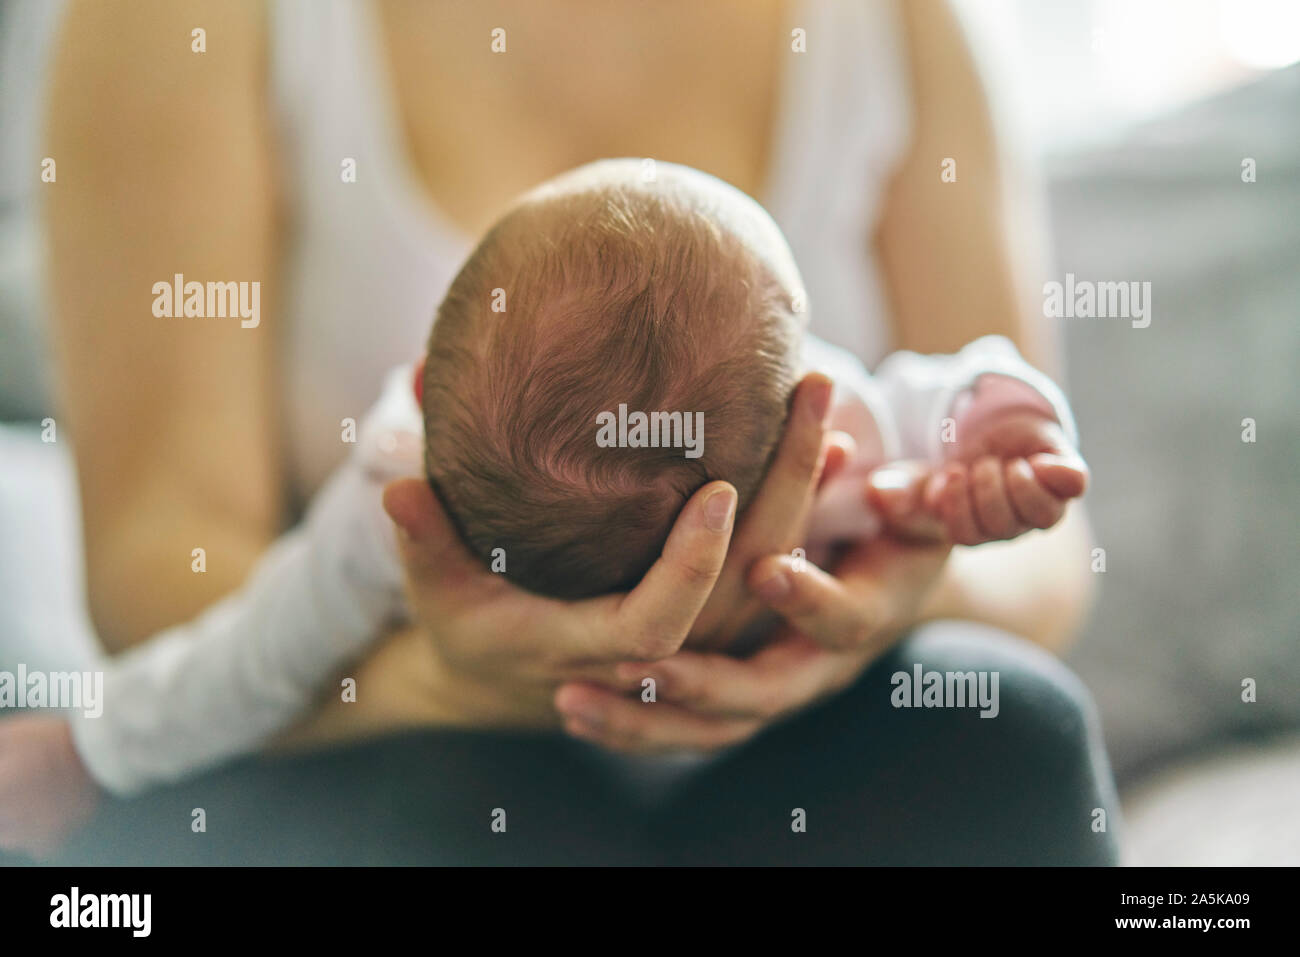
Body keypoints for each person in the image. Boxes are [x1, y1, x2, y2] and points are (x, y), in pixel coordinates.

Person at [1, 0, 1115, 864]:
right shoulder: (391, 500)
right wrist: (446, 680)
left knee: (1002, 732)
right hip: (399, 748)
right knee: (485, 808)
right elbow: (199, 620)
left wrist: (899, 567)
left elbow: (1018, 515)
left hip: (808, 718)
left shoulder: (826, 442)